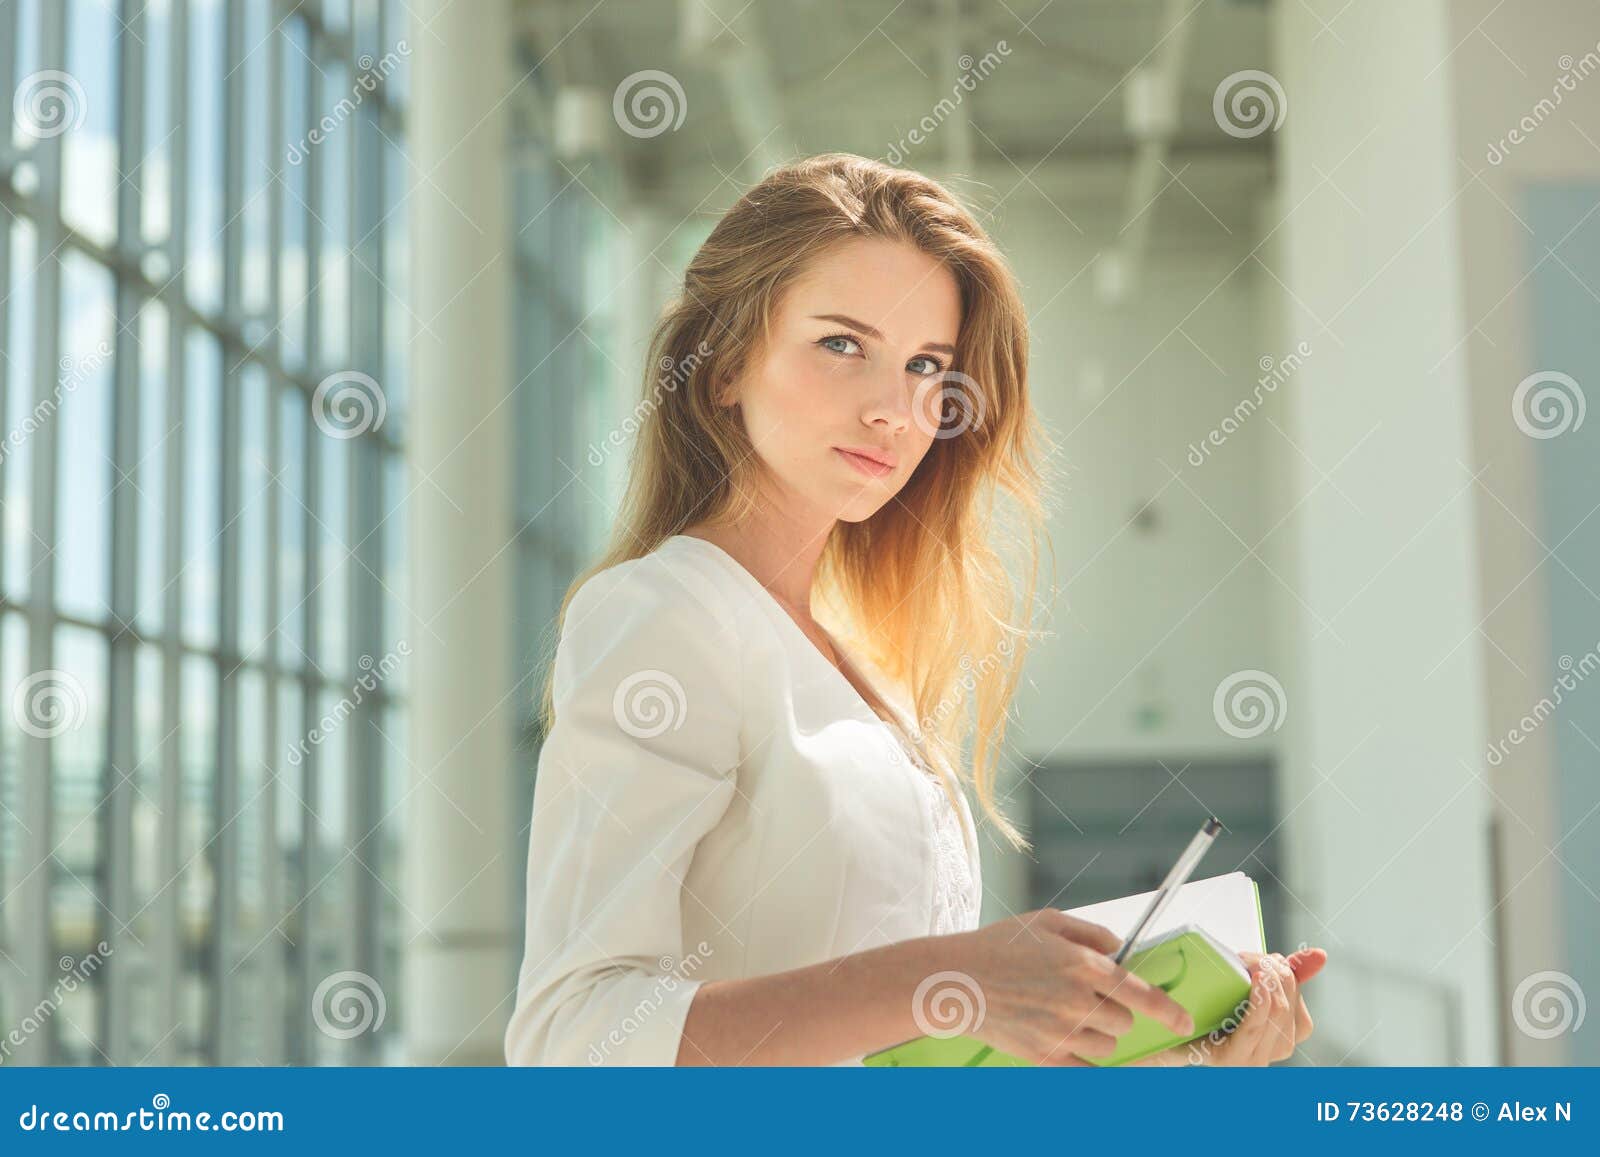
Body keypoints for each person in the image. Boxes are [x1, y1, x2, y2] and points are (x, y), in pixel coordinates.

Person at [504, 153, 1323, 1067]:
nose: (895, 409)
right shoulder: (664, 615)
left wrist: (1168, 1051)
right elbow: (571, 1038)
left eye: (927, 365)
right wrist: (949, 980)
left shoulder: (869, 666)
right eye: (843, 344)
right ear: (725, 363)